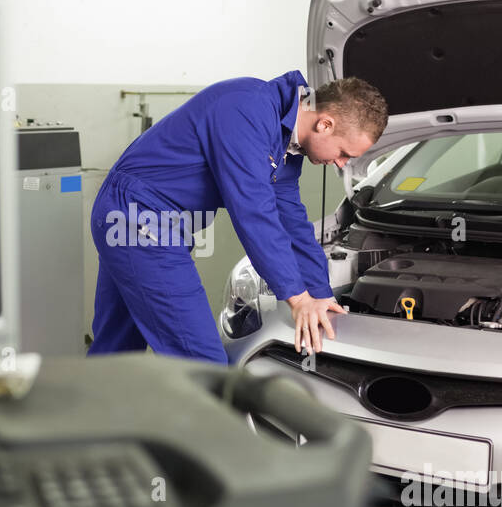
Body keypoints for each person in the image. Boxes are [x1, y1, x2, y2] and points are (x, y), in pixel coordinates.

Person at [88, 71, 388, 363]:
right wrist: (298, 298)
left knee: (115, 352)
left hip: (142, 218)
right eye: (344, 152)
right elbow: (255, 214)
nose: (341, 163)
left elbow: (290, 220)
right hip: (139, 219)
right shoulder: (246, 110)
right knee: (203, 363)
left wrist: (321, 294)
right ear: (324, 124)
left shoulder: (286, 134)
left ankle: (80, 413)